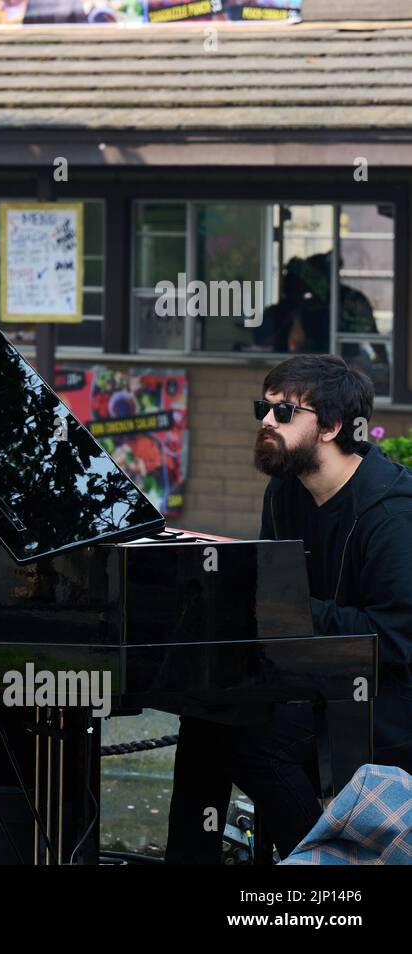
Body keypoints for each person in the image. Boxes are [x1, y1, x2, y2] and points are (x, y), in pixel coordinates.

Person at [166, 354, 412, 863]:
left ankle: (328, 866)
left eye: (284, 412)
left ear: (332, 427)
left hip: (385, 702)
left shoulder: (391, 514)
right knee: (207, 713)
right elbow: (268, 598)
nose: (266, 421)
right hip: (315, 683)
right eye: (264, 406)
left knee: (254, 739)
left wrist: (287, 607)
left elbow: (394, 640)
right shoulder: (285, 491)